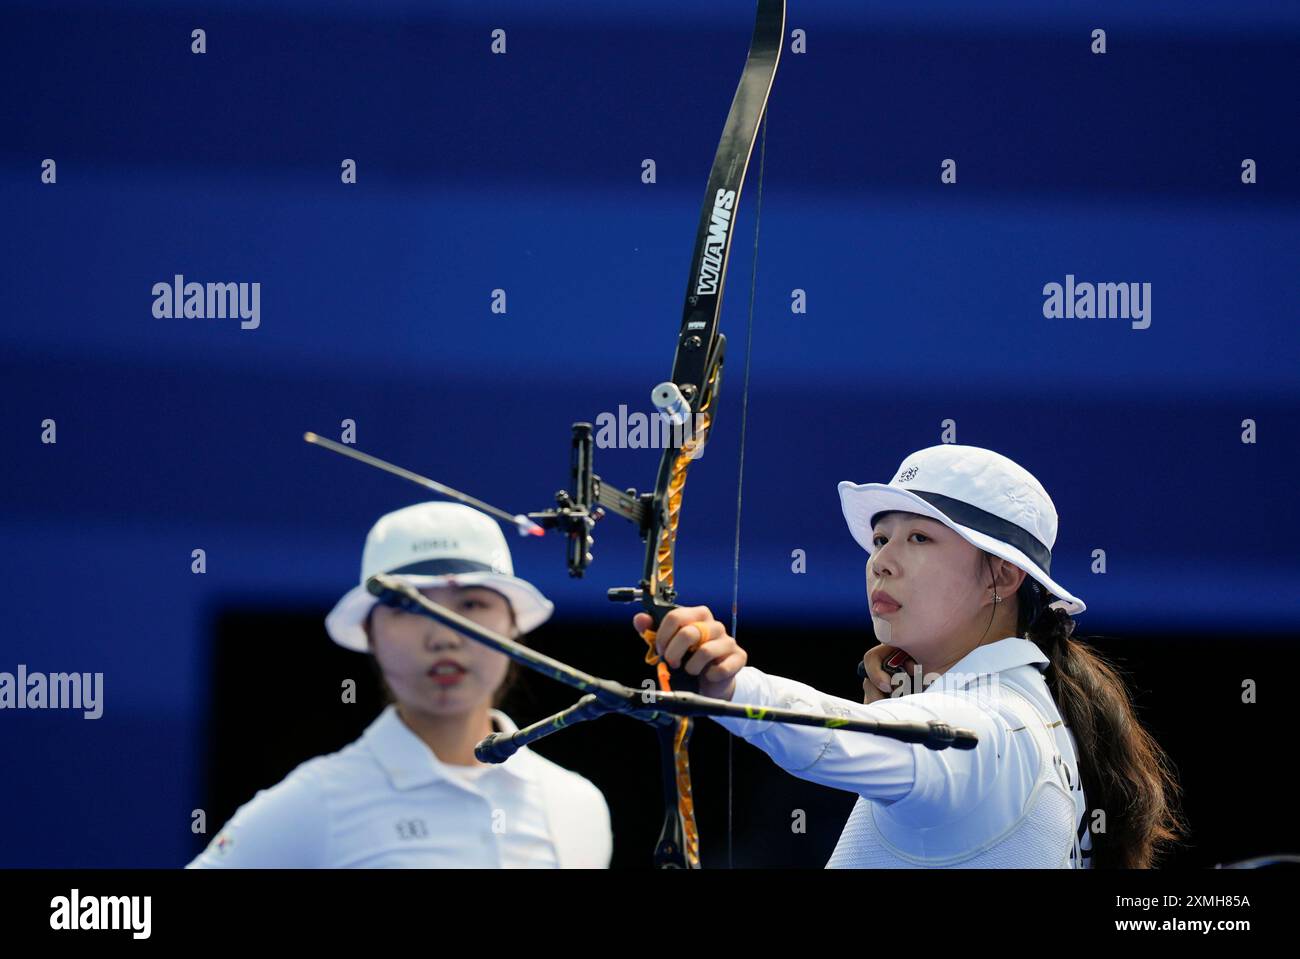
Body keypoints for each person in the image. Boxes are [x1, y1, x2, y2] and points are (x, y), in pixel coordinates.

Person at [635, 444, 1186, 868]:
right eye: (880, 540)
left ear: (1002, 574)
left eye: (919, 538)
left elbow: (841, 736)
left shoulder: (989, 720)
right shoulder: (1030, 707)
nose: (883, 561)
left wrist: (733, 687)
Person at [188, 501, 613, 868]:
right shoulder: (313, 803)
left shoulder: (576, 804)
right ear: (370, 634)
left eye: (472, 604)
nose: (444, 636)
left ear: (514, 625)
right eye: (411, 608)